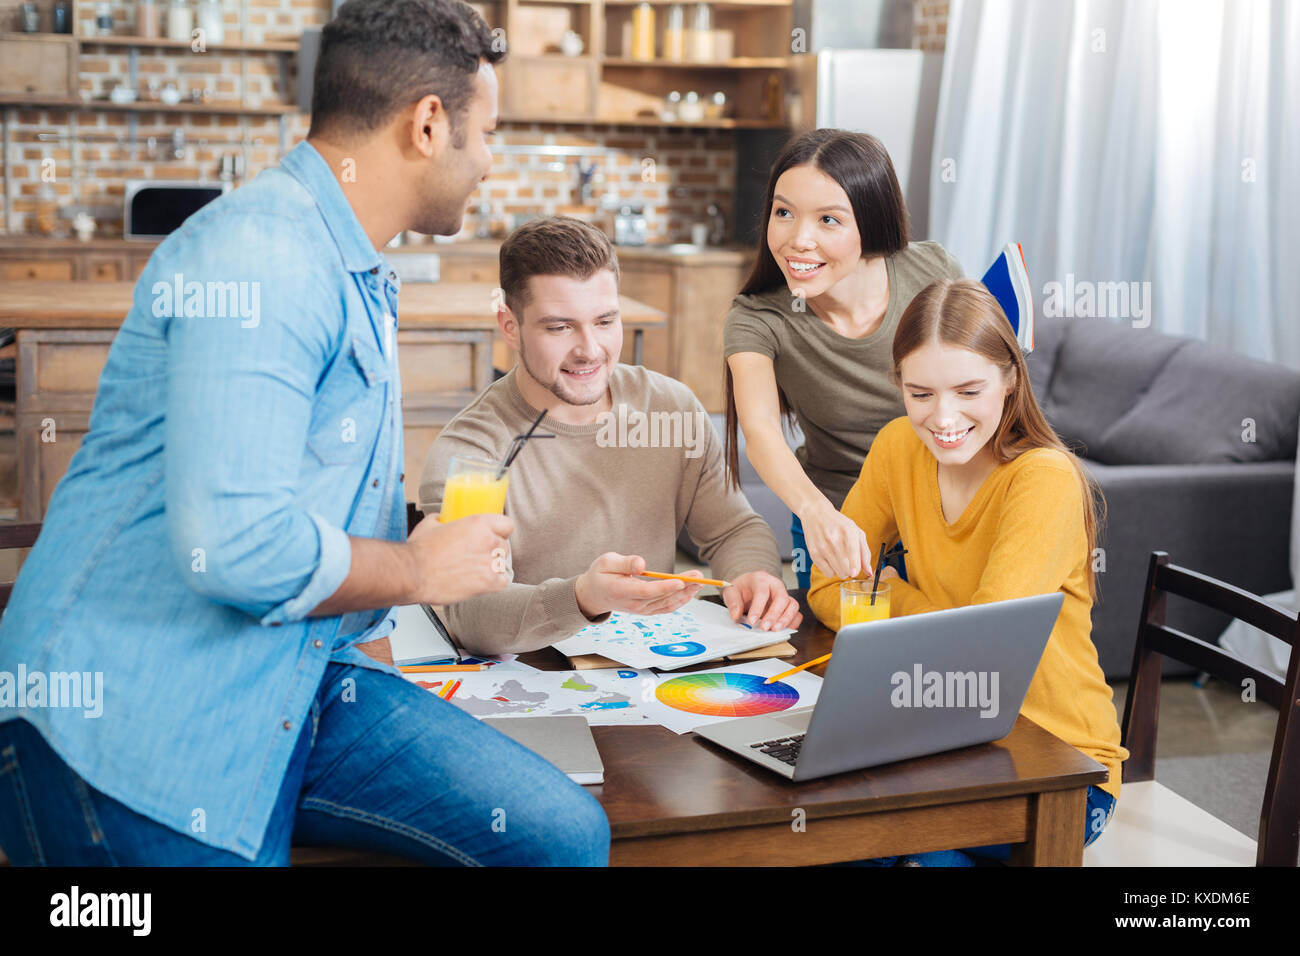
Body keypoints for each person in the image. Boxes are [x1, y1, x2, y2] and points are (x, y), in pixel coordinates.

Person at [0, 0, 610, 866]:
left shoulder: (354, 264)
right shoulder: (266, 257)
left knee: (561, 839)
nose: (490, 161)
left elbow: (322, 506)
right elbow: (238, 547)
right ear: (429, 125)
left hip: (303, 678)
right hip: (137, 716)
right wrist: (417, 569)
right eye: (489, 133)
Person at [808, 278, 1127, 865]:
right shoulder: (897, 446)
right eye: (920, 392)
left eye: (968, 389)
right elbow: (827, 585)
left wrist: (890, 596)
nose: (943, 417)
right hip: (937, 734)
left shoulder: (1043, 480)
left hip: (1058, 765)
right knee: (827, 838)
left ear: (1010, 379)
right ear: (898, 384)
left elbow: (981, 654)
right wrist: (919, 619)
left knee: (896, 854)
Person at [418, 216, 801, 654]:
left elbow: (733, 528)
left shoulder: (670, 408)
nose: (589, 350)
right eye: (559, 327)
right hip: (529, 683)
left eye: (604, 321)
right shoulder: (471, 451)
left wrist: (754, 575)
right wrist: (583, 597)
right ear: (510, 326)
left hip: (652, 672)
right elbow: (471, 617)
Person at [724, 128, 965, 590]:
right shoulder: (757, 318)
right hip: (837, 519)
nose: (798, 240)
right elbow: (760, 432)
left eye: (828, 220)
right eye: (783, 213)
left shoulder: (933, 274)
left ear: (870, 222)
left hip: (943, 515)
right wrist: (815, 513)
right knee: (834, 656)